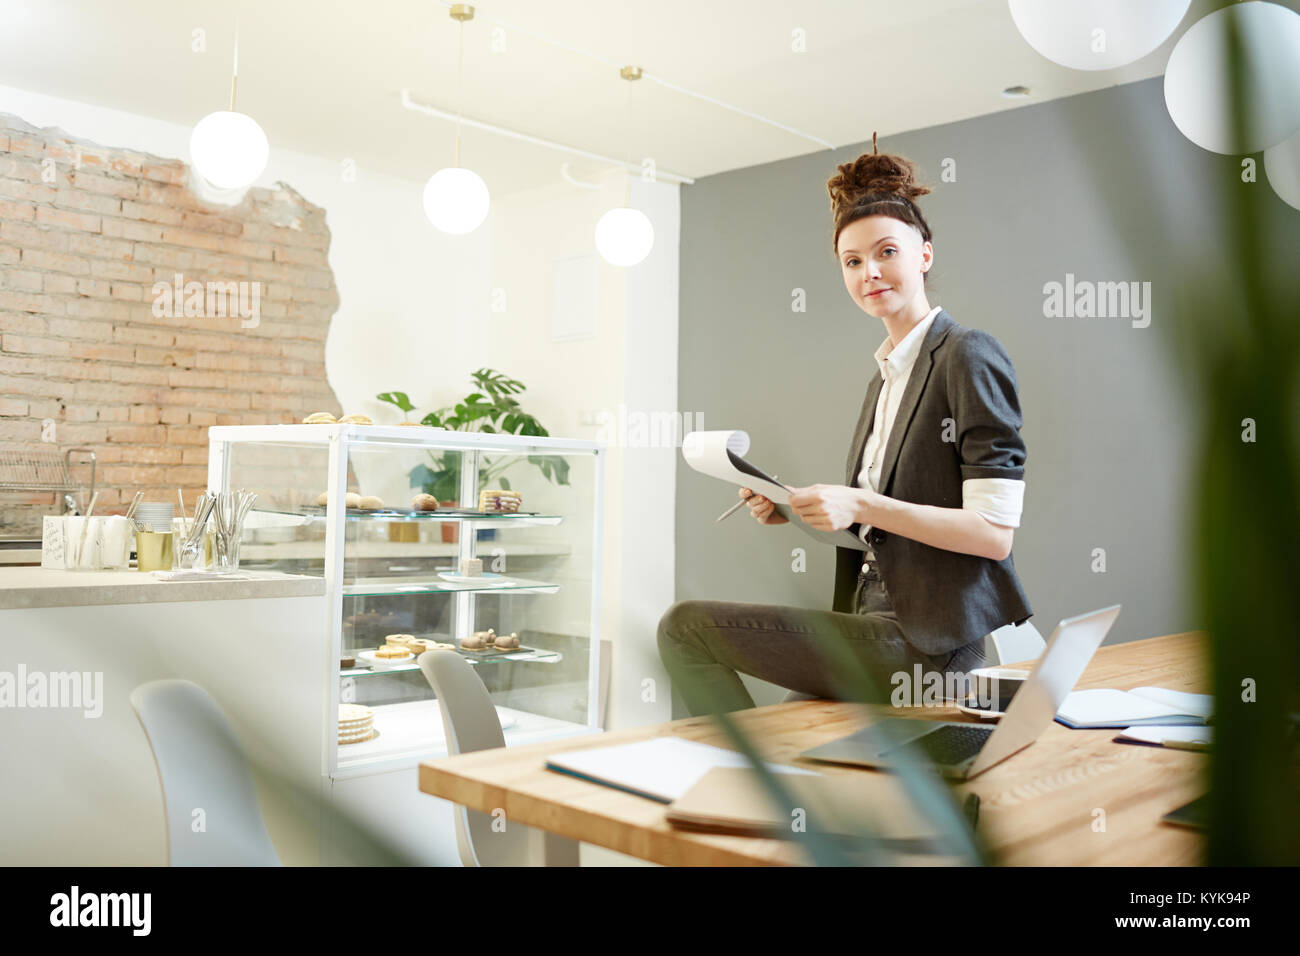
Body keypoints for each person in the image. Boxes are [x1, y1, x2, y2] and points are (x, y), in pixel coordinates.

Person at [657, 137, 1033, 716]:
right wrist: (791, 505)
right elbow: (879, 529)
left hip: (928, 646)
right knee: (787, 734)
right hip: (870, 624)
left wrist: (859, 504)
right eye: (852, 262)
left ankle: (742, 781)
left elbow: (992, 532)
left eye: (886, 252)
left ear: (924, 254)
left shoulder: (966, 354)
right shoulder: (884, 378)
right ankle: (756, 787)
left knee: (685, 628)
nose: (869, 272)